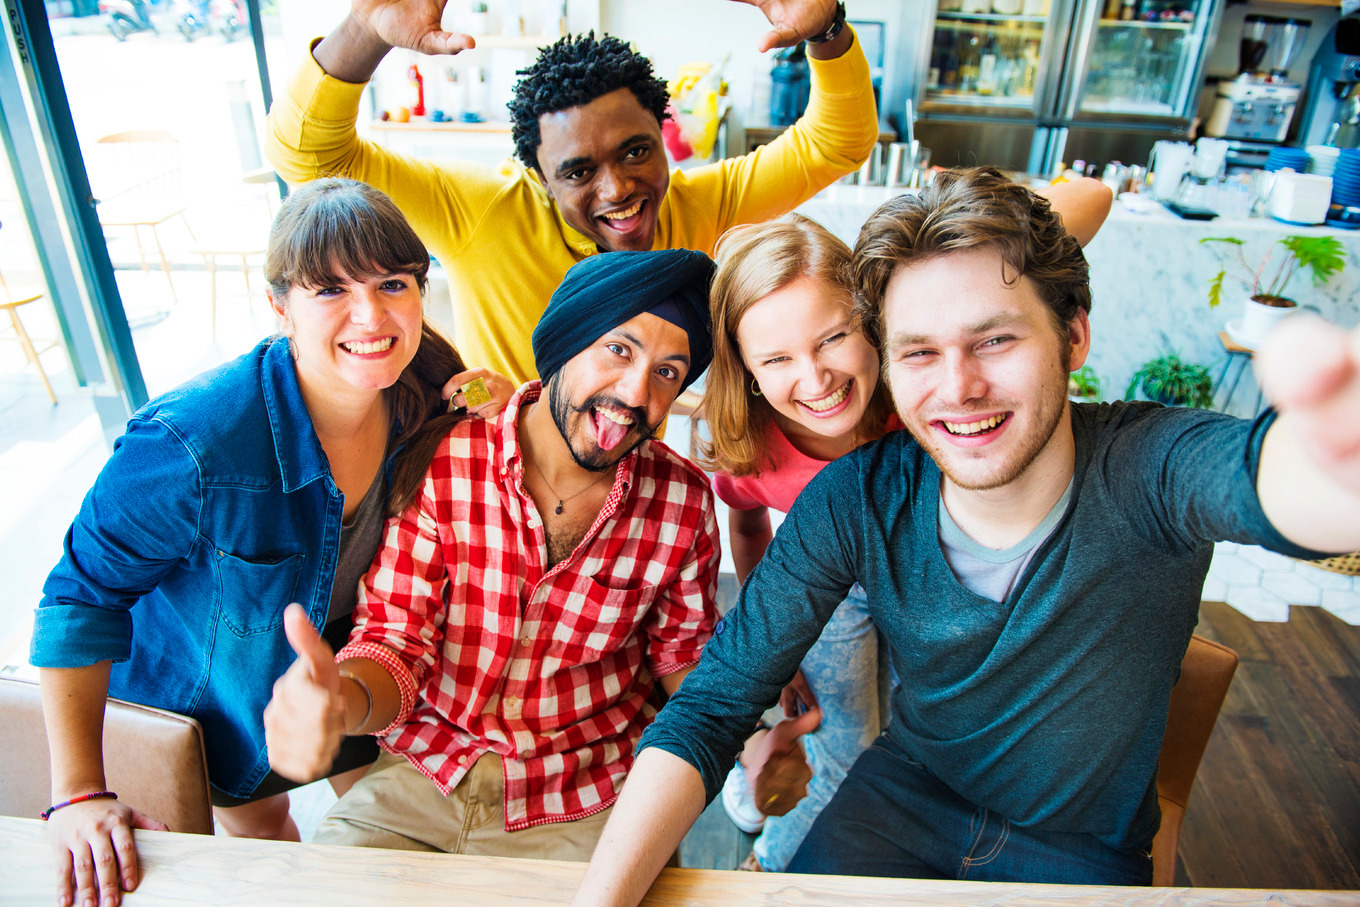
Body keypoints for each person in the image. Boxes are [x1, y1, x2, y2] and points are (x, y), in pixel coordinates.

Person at [572, 166, 1360, 903]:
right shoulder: (856, 495)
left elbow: (1269, 478)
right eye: (919, 351)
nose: (958, 387)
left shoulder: (1152, 466)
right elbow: (710, 706)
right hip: (898, 800)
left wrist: (1330, 463)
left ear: (1074, 336)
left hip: (1078, 847)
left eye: (995, 339)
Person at [30, 178, 511, 907]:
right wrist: (75, 794)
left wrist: (501, 411)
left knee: (390, 836)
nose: (371, 315)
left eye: (393, 283)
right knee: (263, 833)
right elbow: (78, 596)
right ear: (278, 305)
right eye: (330, 290)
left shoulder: (428, 382)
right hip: (218, 693)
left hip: (358, 666)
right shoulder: (192, 441)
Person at [700, 182, 1112, 871]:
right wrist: (782, 635)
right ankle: (771, 863)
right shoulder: (753, 447)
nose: (817, 376)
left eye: (834, 336)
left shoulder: (920, 391)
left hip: (927, 582)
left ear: (876, 320)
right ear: (746, 372)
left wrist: (952, 236)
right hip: (829, 602)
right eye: (776, 359)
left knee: (912, 725)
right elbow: (746, 528)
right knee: (845, 743)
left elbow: (1092, 198)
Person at [262, 249, 723, 861]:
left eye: (668, 372)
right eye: (619, 349)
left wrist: (743, 735)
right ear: (565, 344)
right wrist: (338, 701)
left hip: (587, 797)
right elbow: (395, 639)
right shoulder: (447, 460)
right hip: (422, 776)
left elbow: (682, 658)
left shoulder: (682, 504)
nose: (636, 391)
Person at [265, 0, 879, 385]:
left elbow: (837, 142)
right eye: (578, 172)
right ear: (537, 176)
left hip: (626, 494)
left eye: (636, 151)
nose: (618, 189)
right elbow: (308, 155)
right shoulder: (485, 211)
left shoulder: (702, 202)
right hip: (497, 493)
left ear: (664, 137)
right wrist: (364, 29)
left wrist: (826, 29)